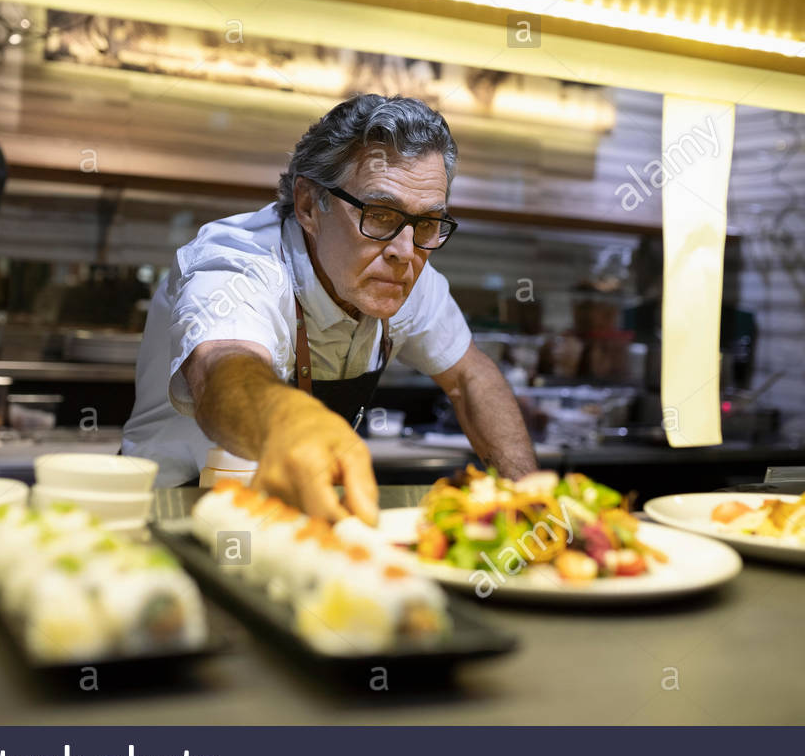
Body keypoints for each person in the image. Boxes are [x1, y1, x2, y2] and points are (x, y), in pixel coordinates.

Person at [122, 94, 537, 523]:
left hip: (292, 523)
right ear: (308, 205)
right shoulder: (240, 263)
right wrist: (291, 419)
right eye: (379, 214)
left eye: (428, 223)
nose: (404, 251)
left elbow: (470, 377)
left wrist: (528, 500)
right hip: (169, 514)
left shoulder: (406, 269)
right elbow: (221, 368)